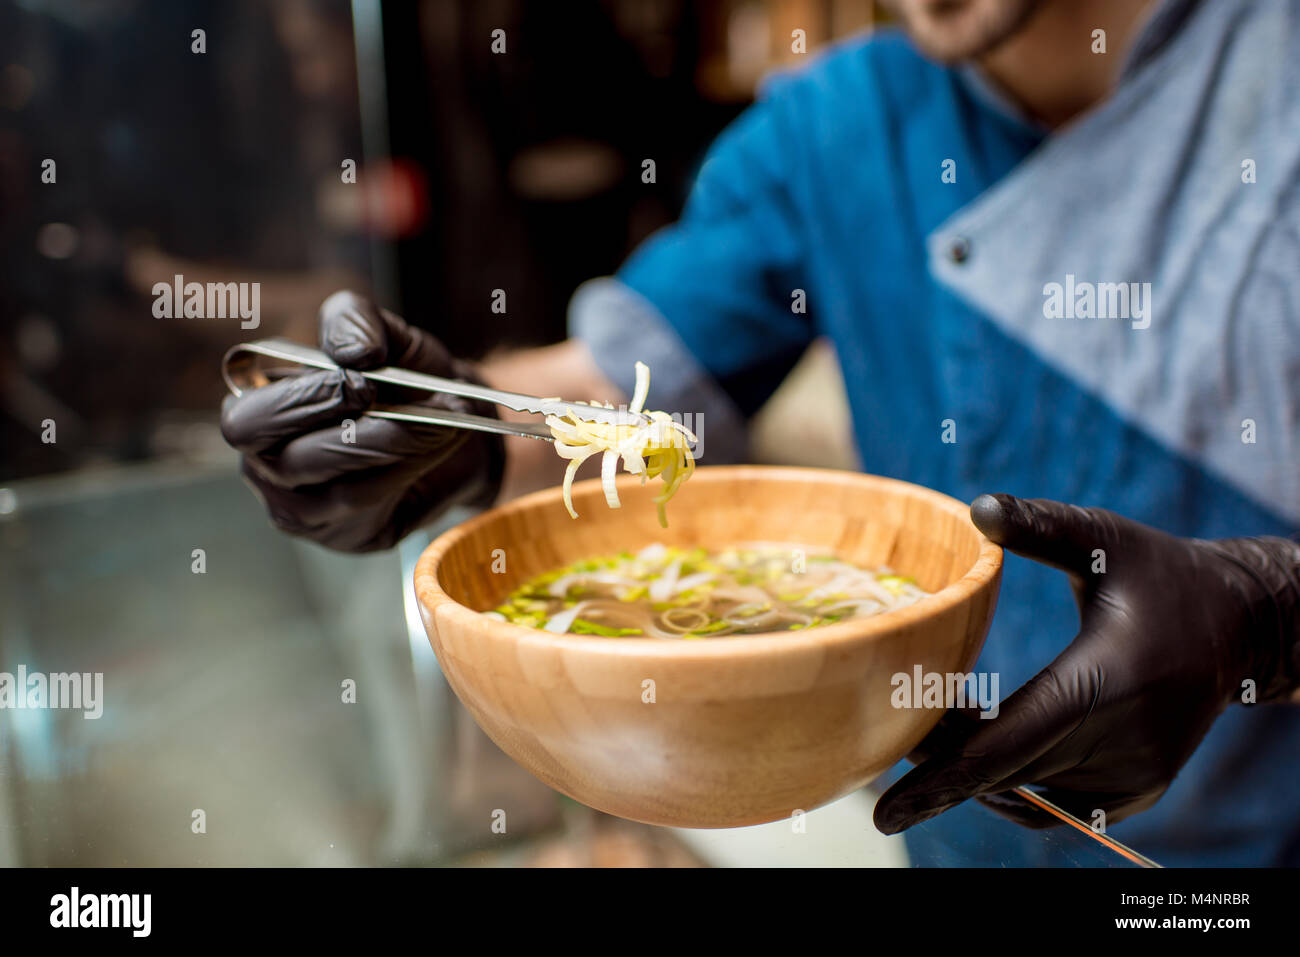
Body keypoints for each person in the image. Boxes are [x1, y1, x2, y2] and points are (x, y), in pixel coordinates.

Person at [221, 0, 1300, 865]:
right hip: (953, 838)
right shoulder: (835, 125)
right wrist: (463, 427)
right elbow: (623, 389)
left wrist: (1265, 611)